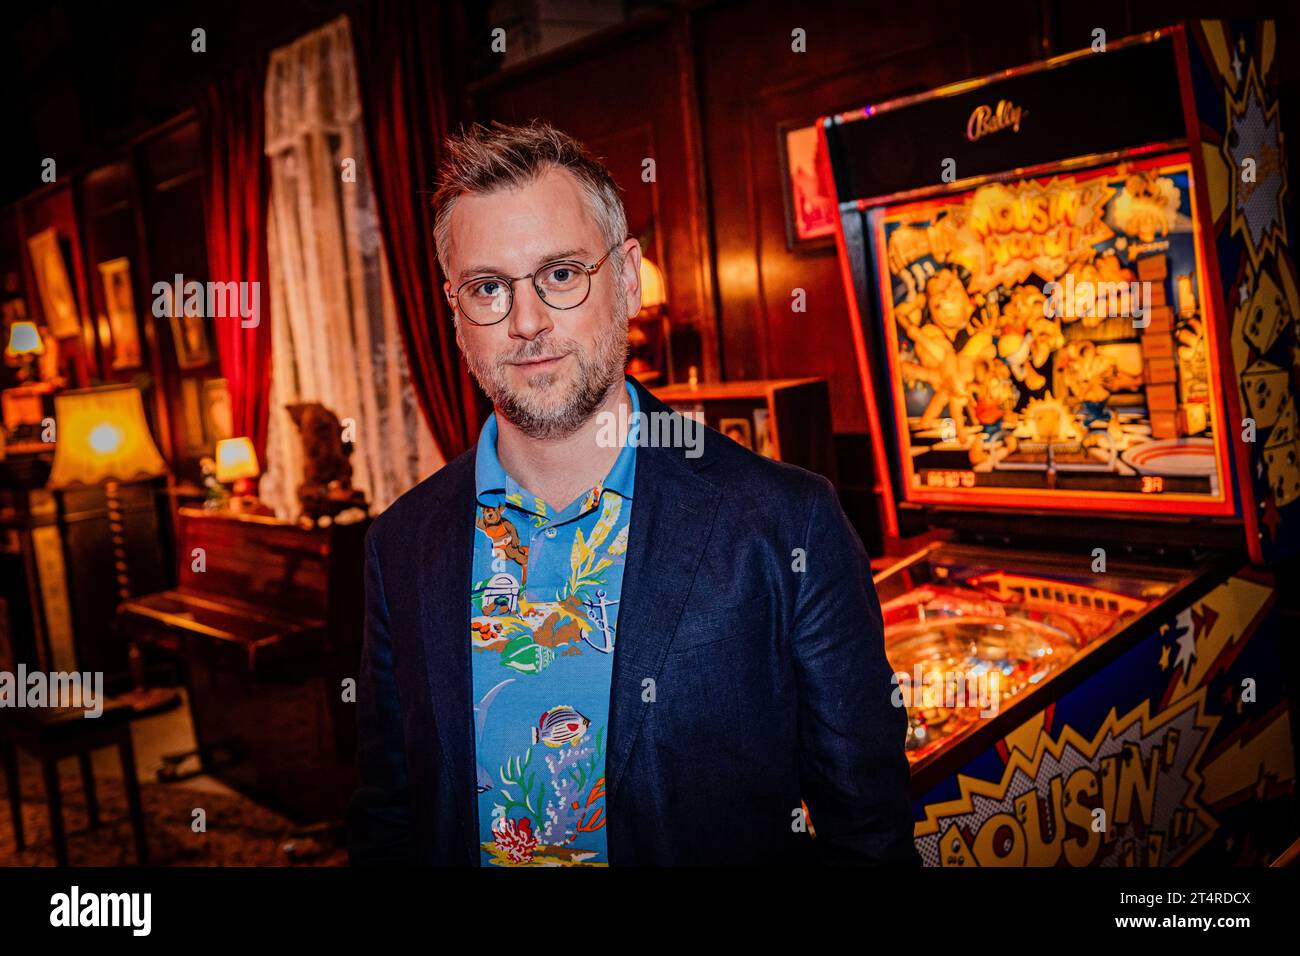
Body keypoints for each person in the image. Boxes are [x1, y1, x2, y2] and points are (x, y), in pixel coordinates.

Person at [347, 120, 918, 866]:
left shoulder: (785, 524)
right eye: (488, 287)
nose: (526, 322)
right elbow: (389, 816)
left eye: (560, 274)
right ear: (455, 311)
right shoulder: (402, 543)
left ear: (626, 278)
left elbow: (867, 835)